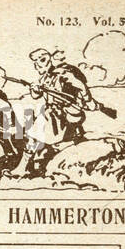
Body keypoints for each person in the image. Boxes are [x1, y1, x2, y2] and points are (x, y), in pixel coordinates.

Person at [21, 48, 99, 177]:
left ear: (49, 59)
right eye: (35, 62)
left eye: (41, 60)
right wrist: (34, 89)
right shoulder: (45, 77)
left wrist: (89, 101)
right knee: (35, 138)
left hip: (64, 113)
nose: (37, 65)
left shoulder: (64, 73)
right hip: (51, 112)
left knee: (38, 138)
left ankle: (26, 168)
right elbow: (36, 95)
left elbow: (80, 86)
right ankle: (27, 167)